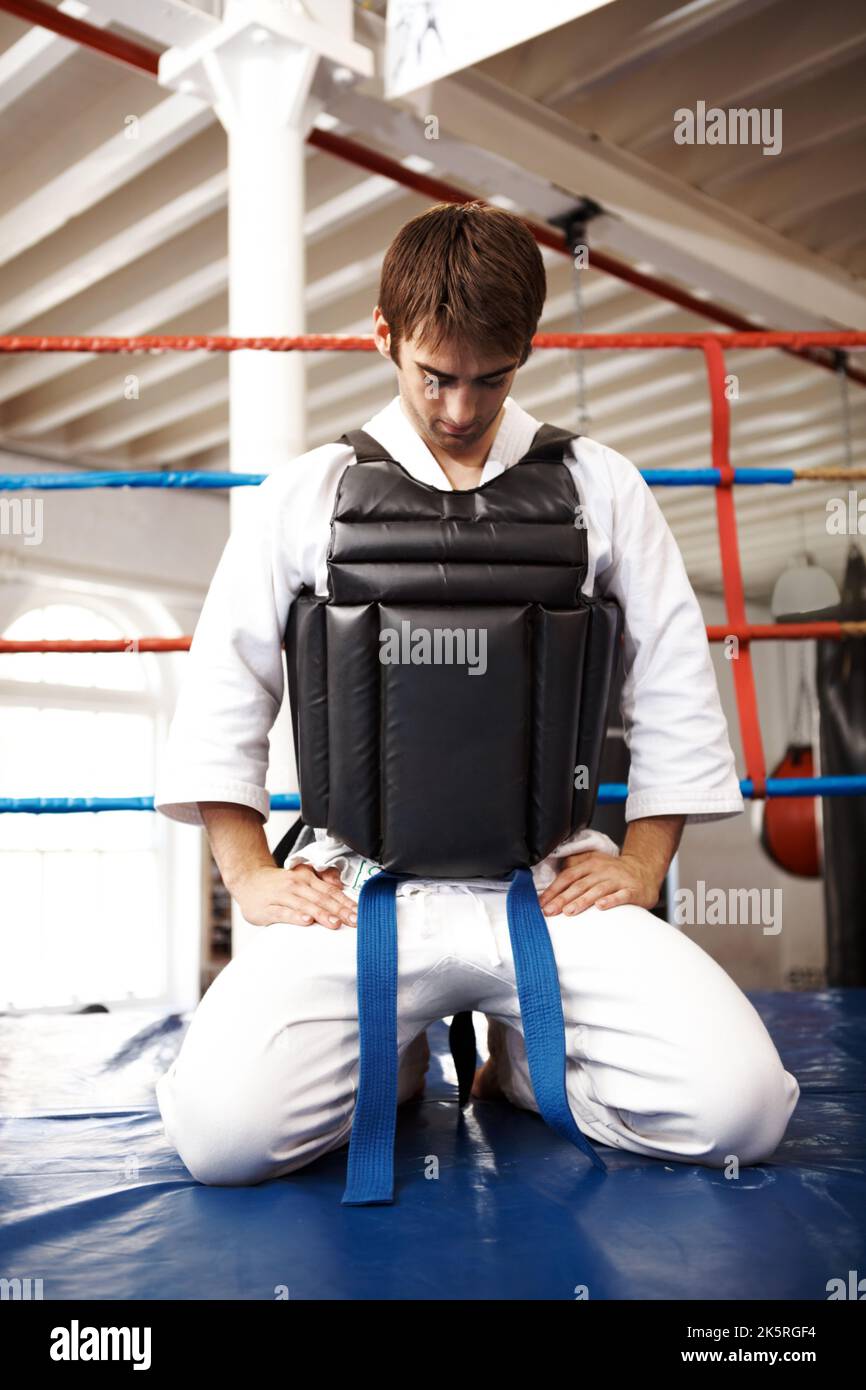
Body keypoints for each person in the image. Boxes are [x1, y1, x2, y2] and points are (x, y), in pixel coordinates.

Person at [153, 201, 800, 1189]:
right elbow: (222, 690)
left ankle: (519, 1067)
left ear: (526, 350)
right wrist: (247, 874)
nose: (459, 407)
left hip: (545, 884)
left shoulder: (599, 486)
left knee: (740, 1110)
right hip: (358, 890)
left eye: (489, 379)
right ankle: (399, 1057)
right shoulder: (306, 493)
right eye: (435, 375)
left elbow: (672, 677)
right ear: (383, 336)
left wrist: (639, 863)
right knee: (219, 1136)